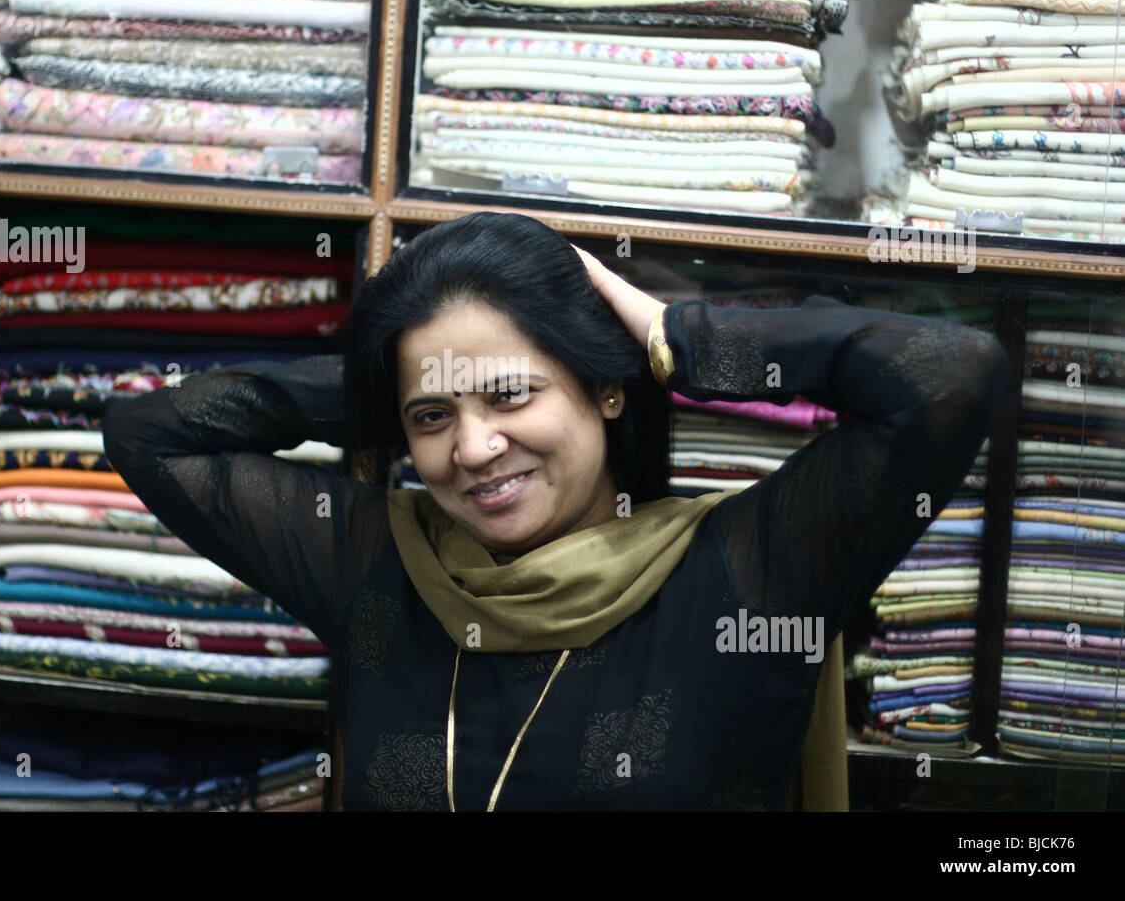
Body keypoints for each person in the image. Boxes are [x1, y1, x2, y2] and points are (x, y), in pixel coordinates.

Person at [102, 211, 1007, 811]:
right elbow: (150, 434)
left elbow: (950, 374)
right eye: (433, 420)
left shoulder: (751, 574)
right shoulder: (376, 562)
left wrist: (674, 340)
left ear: (605, 388)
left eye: (509, 396)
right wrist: (394, 379)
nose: (473, 449)